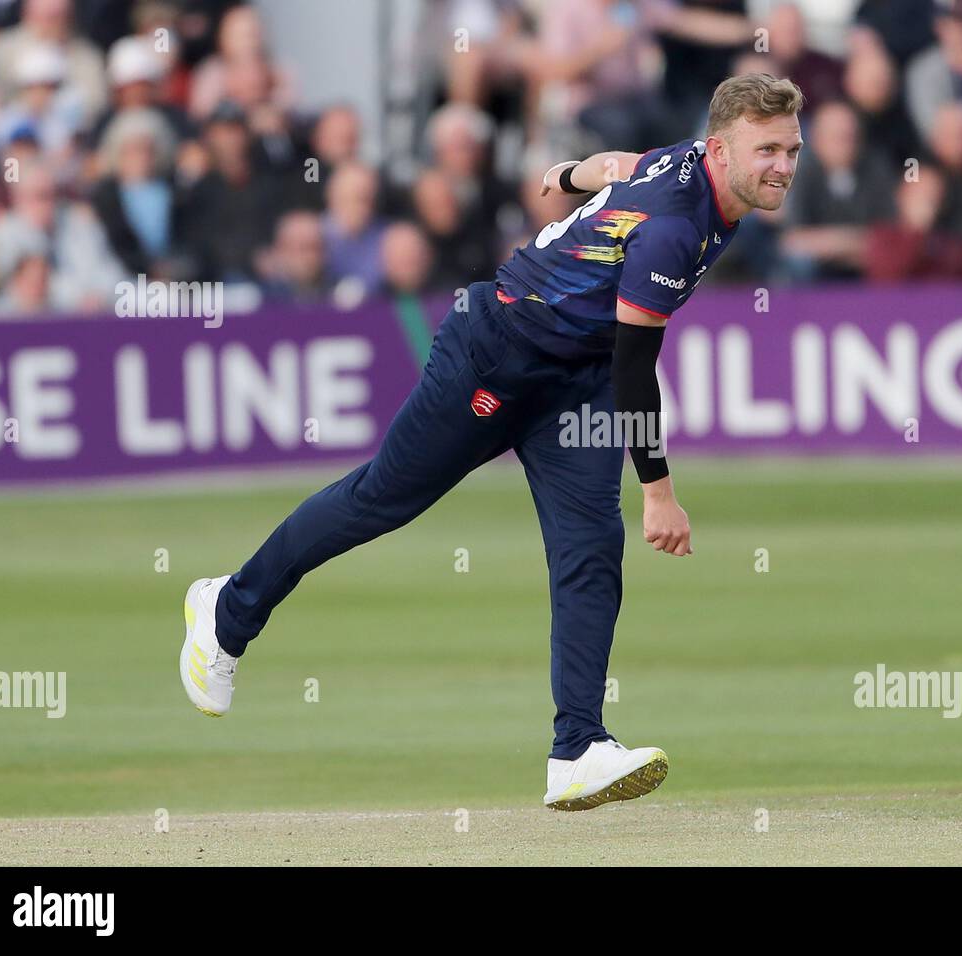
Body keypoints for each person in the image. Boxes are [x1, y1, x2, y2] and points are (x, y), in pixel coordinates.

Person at [179, 72, 805, 812]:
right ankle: (227, 610)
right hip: (497, 351)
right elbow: (637, 368)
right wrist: (660, 493)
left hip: (577, 381)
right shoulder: (675, 224)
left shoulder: (690, 163)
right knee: (381, 499)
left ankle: (577, 748)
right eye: (768, 150)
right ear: (721, 149)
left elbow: (617, 165)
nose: (784, 166)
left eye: (792, 150)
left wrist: (565, 176)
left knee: (590, 546)